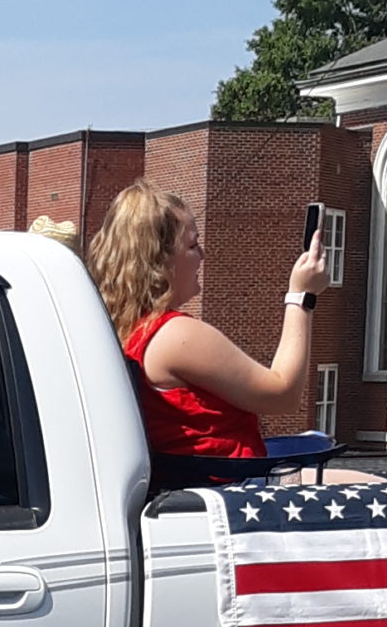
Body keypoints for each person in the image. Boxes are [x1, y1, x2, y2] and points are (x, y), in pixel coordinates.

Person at [85, 182, 333, 475]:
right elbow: (283, 394)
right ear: (158, 260)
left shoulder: (115, 327)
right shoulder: (176, 336)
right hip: (229, 493)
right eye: (192, 245)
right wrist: (301, 296)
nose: (202, 254)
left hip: (182, 488)